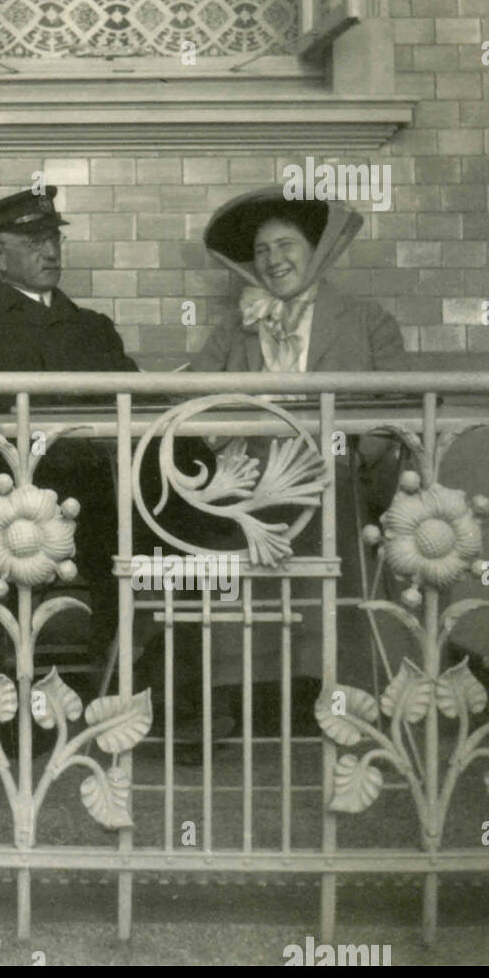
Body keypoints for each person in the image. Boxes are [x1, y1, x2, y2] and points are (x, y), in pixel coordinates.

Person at [150, 186, 411, 744]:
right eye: (262, 250)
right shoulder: (235, 326)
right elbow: (192, 399)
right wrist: (229, 442)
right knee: (230, 510)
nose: (273, 259)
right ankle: (252, 695)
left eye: (285, 244)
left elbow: (399, 405)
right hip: (252, 482)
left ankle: (346, 690)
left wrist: (348, 454)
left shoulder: (368, 320)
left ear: (316, 250)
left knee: (329, 501)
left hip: (343, 479)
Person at [0, 187, 140, 665]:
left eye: (54, 240)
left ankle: (117, 679)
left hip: (91, 496)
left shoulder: (93, 327)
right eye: (33, 242)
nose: (50, 252)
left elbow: (134, 400)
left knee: (135, 547)